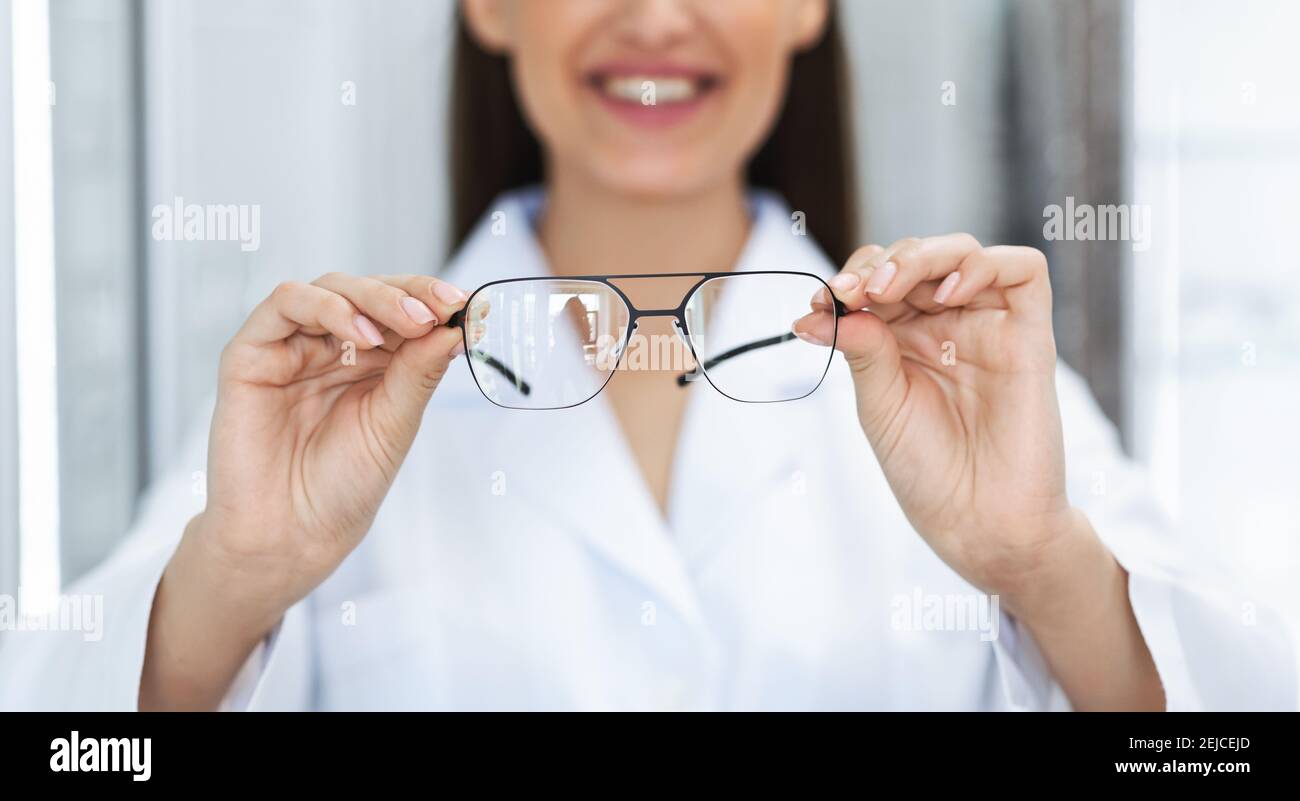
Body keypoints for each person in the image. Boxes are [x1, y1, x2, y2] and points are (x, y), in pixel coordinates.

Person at [1, 0, 1292, 711]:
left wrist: (1041, 565)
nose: (659, 16)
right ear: (489, 9)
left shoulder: (984, 398)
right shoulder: (320, 402)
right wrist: (236, 582)